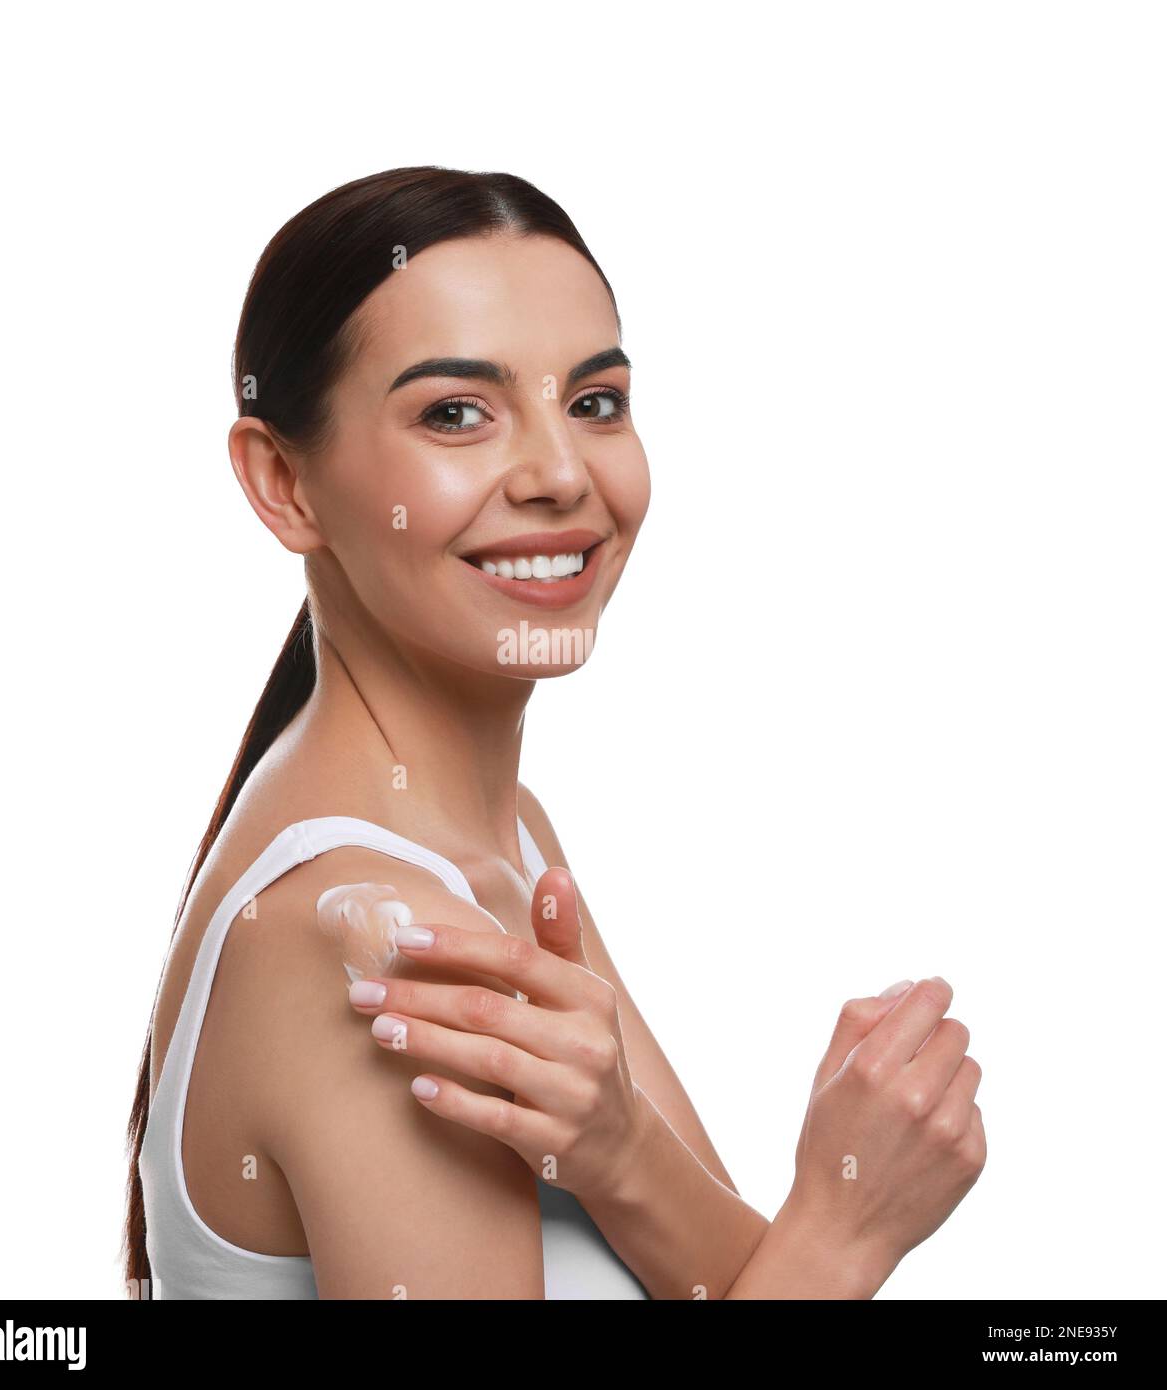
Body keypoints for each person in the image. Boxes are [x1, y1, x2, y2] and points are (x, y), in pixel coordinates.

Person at [124, 167, 986, 1299]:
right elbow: (788, 1275)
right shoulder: (366, 941)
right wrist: (848, 1231)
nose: (561, 474)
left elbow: (724, 1288)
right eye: (454, 413)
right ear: (283, 481)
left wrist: (622, 1152)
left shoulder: (499, 838)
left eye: (593, 402)